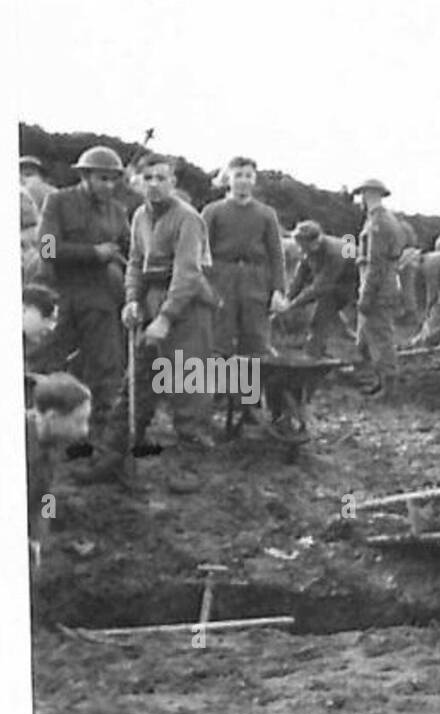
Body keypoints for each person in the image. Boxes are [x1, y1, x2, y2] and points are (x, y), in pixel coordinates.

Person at [82, 152, 220, 489]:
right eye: (148, 178)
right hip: (151, 300)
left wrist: (166, 319)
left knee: (187, 386)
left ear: (173, 182)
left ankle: (192, 469)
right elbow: (134, 262)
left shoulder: (188, 219)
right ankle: (112, 459)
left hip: (187, 307)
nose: (154, 185)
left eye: (161, 178)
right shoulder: (140, 216)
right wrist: (131, 300)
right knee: (137, 384)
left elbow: (188, 273)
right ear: (139, 182)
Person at [34, 145, 131, 445]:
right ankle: (36, 429)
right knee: (46, 364)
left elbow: (129, 250)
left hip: (101, 299)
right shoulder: (58, 201)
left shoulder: (118, 211)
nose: (109, 186)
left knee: (106, 370)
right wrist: (92, 253)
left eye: (114, 180)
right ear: (85, 176)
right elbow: (46, 248)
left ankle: (95, 439)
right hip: (61, 296)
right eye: (103, 179)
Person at [201, 156, 289, 364]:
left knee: (256, 340)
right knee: (218, 338)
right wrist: (204, 285)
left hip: (255, 281)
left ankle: (251, 393)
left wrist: (278, 290)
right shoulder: (213, 211)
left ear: (254, 180)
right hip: (221, 279)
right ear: (228, 179)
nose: (243, 180)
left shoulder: (267, 214)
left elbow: (276, 255)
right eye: (238, 175)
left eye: (248, 176)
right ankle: (218, 392)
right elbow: (200, 252)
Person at [27, 372, 93, 573]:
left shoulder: (51, 441)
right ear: (53, 417)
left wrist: (43, 539)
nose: (85, 431)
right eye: (78, 421)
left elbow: (46, 495)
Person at [352, 178, 404, 396]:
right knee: (371, 336)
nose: (361, 200)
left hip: (379, 289)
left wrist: (366, 295)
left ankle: (389, 388)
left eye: (362, 195)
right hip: (384, 285)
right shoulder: (382, 219)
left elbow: (376, 263)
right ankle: (380, 381)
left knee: (381, 338)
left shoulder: (378, 223)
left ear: (368, 194)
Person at [279, 221, 358, 356]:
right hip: (336, 279)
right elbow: (300, 277)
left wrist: (293, 305)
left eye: (302, 245)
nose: (300, 249)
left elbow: (320, 287)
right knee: (327, 306)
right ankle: (348, 334)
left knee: (321, 315)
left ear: (314, 242)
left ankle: (314, 353)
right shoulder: (310, 250)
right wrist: (287, 298)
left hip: (356, 279)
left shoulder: (334, 253)